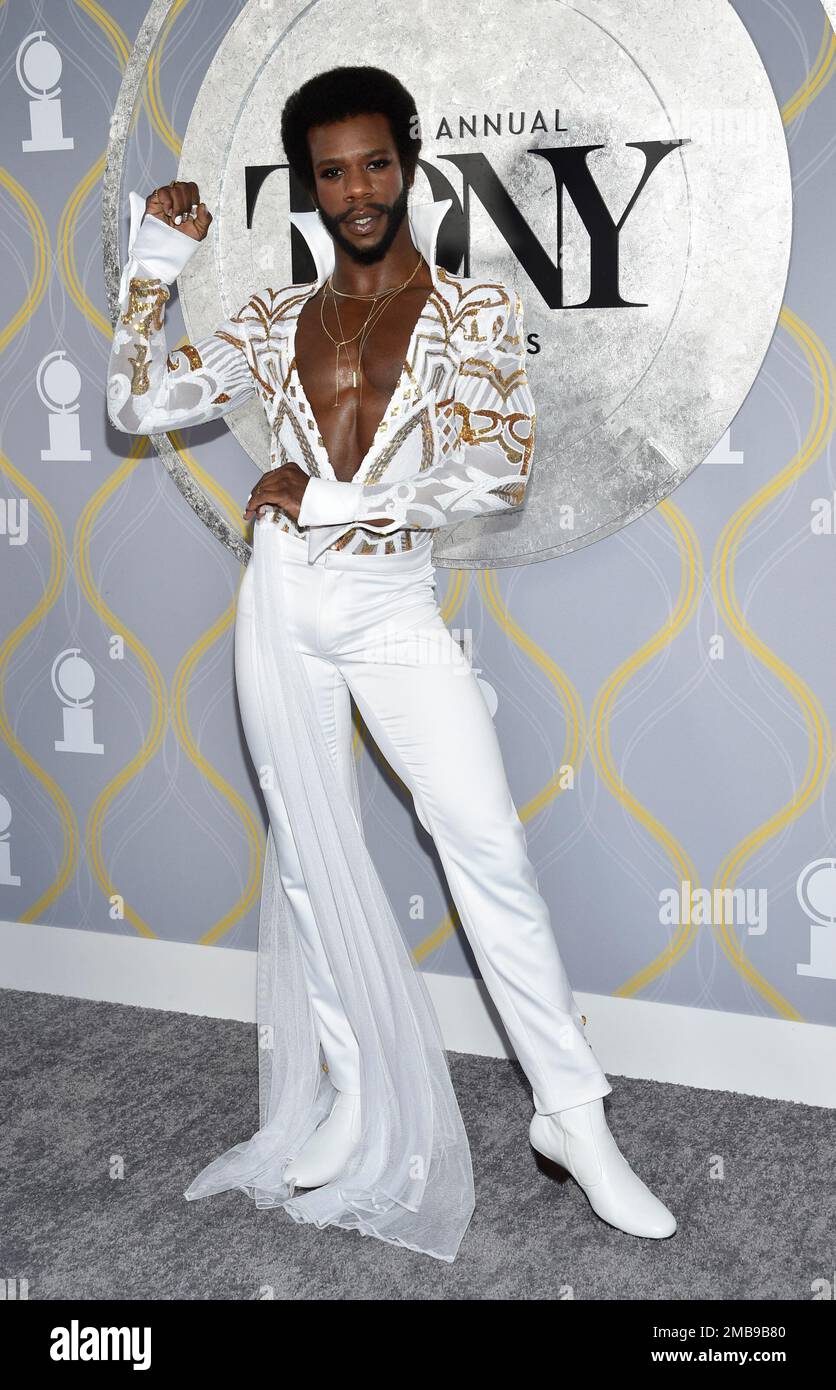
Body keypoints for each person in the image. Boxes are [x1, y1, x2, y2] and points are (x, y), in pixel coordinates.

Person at [106, 64, 676, 1262]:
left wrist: (323, 496)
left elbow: (494, 471)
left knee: (484, 843)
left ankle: (572, 1114)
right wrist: (153, 267)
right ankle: (356, 1091)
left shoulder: (470, 313)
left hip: (386, 606)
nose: (356, 190)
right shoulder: (270, 324)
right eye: (330, 171)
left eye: (374, 163)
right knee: (313, 860)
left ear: (407, 162)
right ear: (306, 185)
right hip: (280, 605)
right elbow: (132, 405)